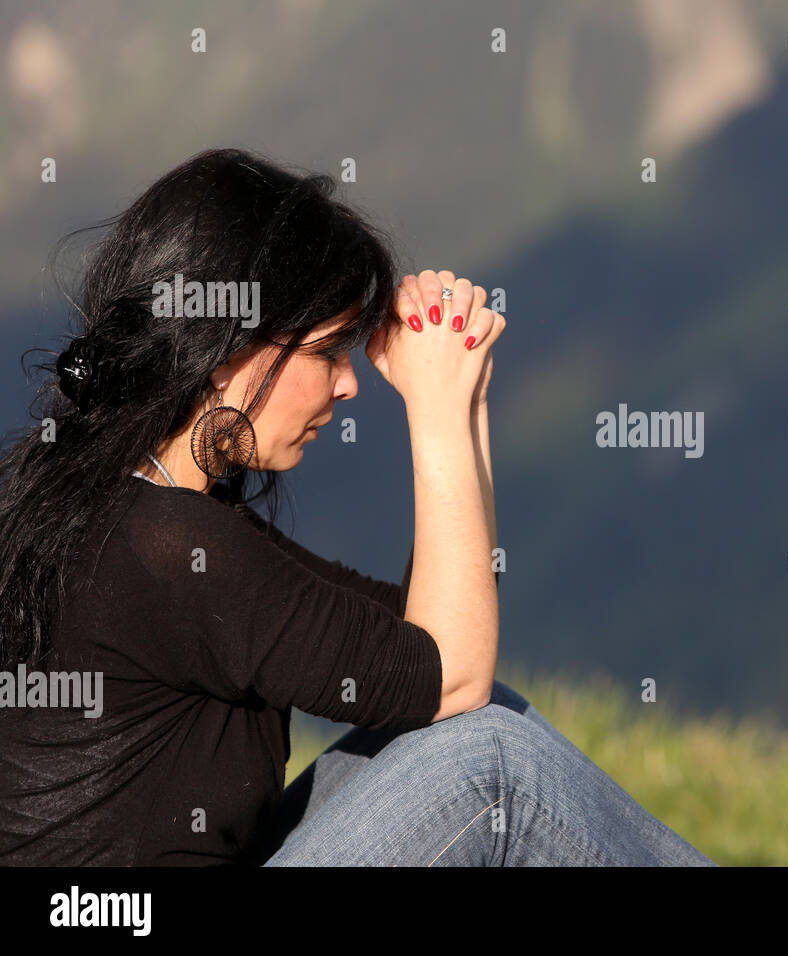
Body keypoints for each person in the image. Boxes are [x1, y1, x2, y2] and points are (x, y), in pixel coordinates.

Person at [0, 147, 713, 866]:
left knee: (470, 724)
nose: (347, 385)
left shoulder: (139, 517)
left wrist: (463, 406)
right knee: (492, 766)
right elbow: (449, 674)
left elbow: (425, 636)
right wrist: (435, 414)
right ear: (224, 350)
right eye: (327, 351)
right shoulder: (169, 549)